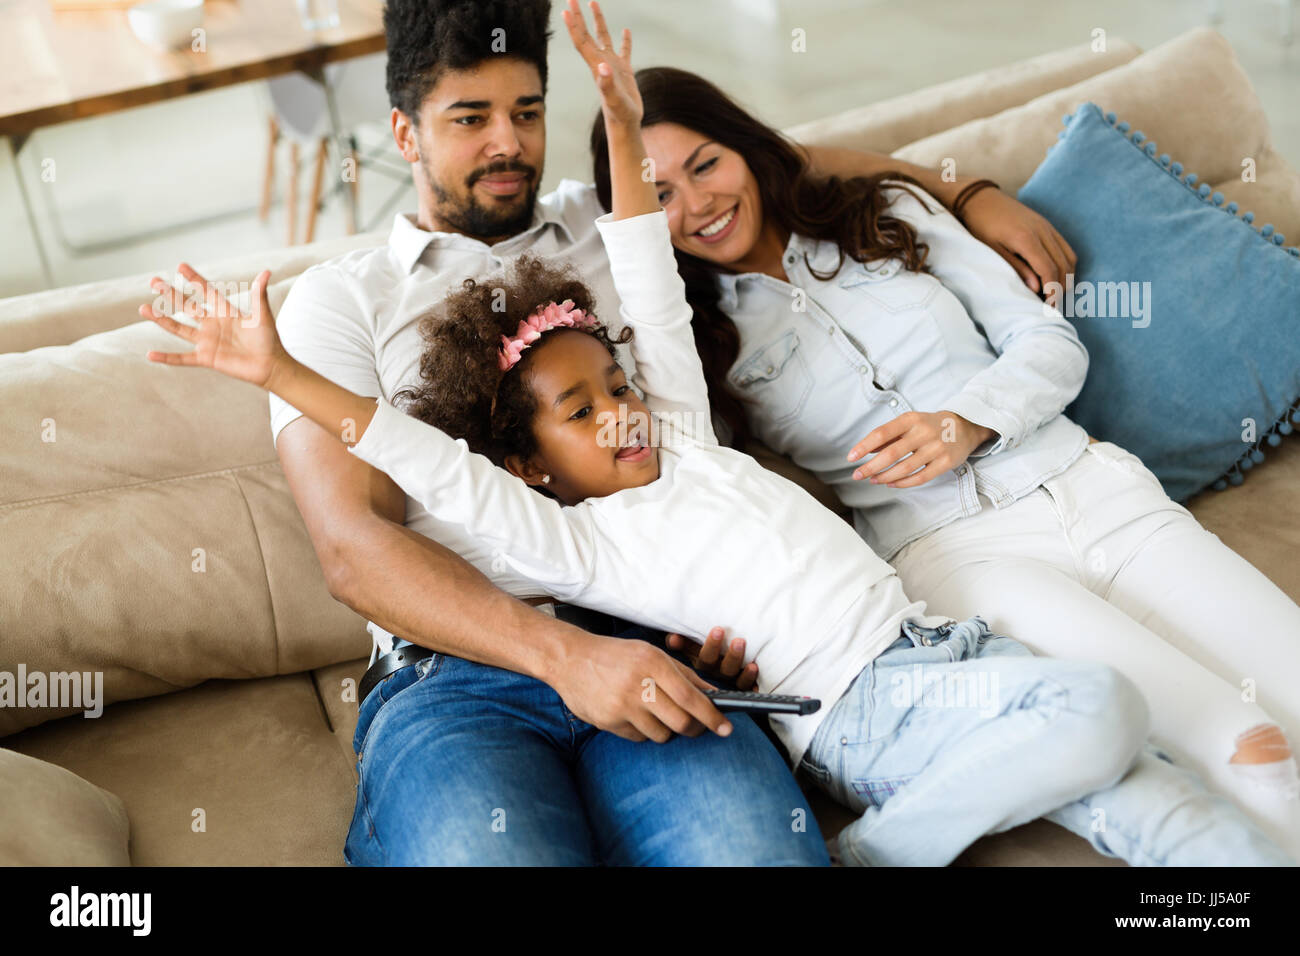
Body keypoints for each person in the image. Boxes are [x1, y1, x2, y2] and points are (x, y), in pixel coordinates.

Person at [135, 1, 1294, 868]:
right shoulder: (339, 299)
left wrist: (959, 189)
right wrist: (568, 655)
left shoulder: (612, 231)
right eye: (468, 118)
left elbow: (767, 162)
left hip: (691, 648)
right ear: (401, 130)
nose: (507, 142)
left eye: (528, 111)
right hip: (471, 663)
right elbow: (357, 540)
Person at [589, 54, 1300, 856]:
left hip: (1094, 488)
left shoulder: (884, 210)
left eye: (706, 164)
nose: (699, 204)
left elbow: (1046, 340)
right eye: (660, 196)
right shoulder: (695, 344)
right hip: (962, 561)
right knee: (1252, 750)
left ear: (746, 146)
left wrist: (969, 419)